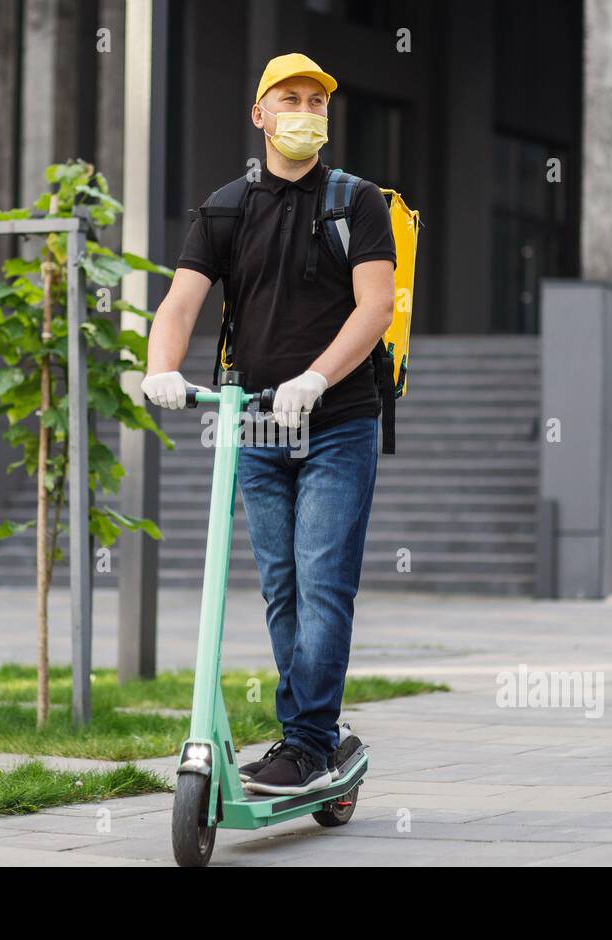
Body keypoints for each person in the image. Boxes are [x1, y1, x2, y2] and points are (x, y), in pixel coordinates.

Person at [142, 53, 396, 796]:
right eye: (290, 98)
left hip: (339, 421)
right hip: (254, 425)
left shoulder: (357, 203)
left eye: (318, 102)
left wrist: (318, 377)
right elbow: (181, 305)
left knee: (322, 582)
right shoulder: (225, 207)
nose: (306, 111)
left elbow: (375, 307)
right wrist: (163, 366)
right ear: (259, 114)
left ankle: (308, 743)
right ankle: (312, 738)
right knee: (282, 589)